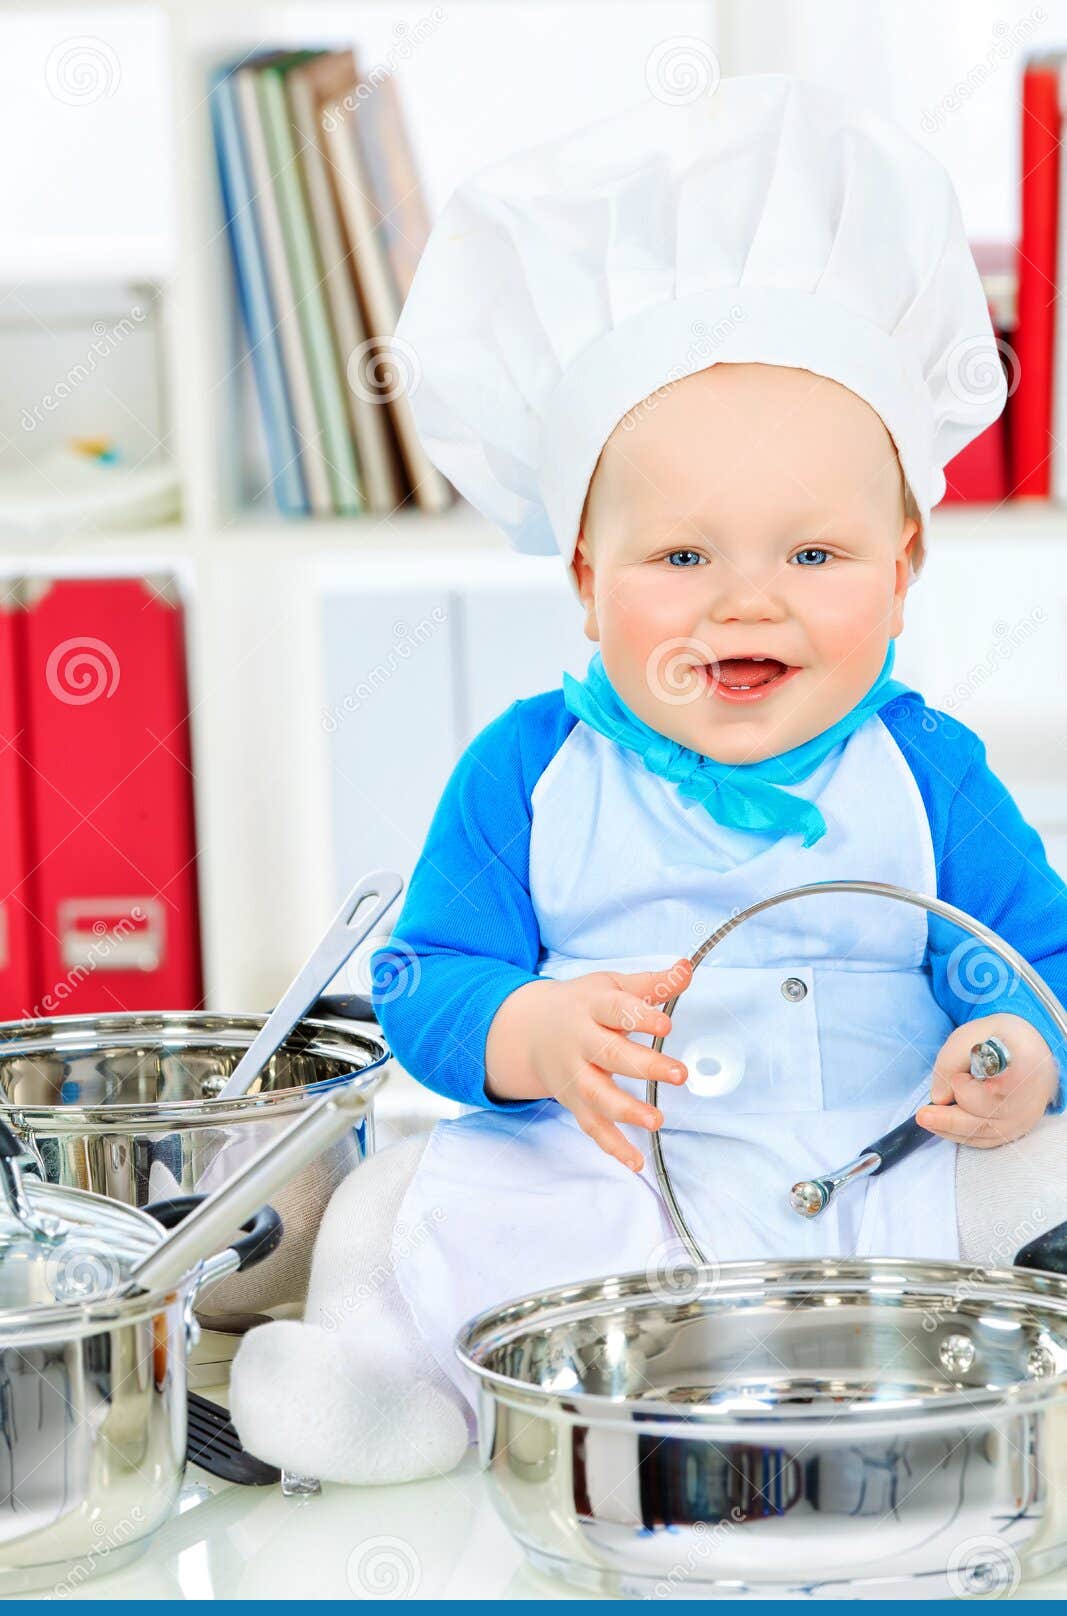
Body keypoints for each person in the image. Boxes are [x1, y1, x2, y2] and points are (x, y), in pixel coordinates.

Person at [230, 73, 1067, 1487]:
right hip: (606, 1191)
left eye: (815, 556)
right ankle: (386, 1380)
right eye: (681, 559)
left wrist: (1017, 1058)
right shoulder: (530, 771)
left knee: (1040, 1172)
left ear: (907, 567)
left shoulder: (926, 771)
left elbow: (1030, 959)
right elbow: (431, 979)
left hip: (881, 1177)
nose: (748, 604)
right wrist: (534, 1034)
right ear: (582, 578)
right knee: (398, 1194)